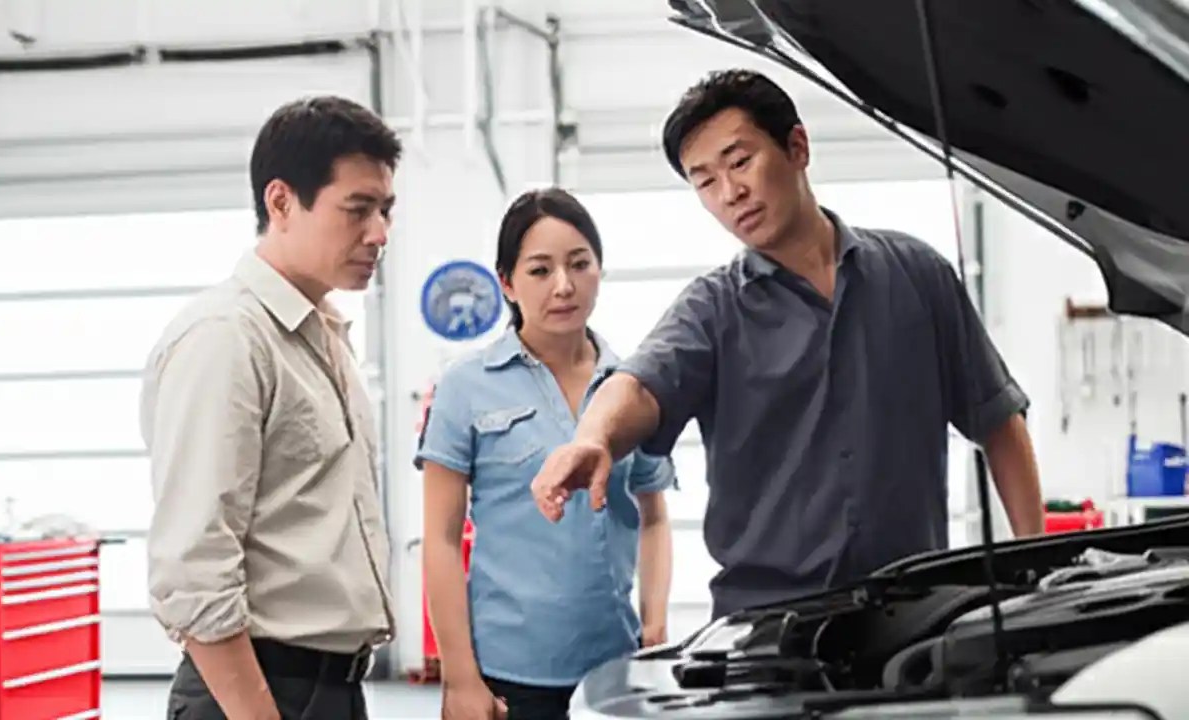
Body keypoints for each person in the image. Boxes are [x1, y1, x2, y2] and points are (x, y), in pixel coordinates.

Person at [530, 69, 1046, 621]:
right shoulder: (712, 310)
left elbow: (998, 421)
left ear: (797, 146)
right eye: (705, 181)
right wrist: (593, 437)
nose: (731, 194)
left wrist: (1036, 572)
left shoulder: (918, 276)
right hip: (772, 629)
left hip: (915, 619)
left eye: (740, 161)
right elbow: (637, 385)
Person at [139, 95, 400, 720]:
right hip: (259, 690)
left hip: (330, 686)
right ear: (280, 202)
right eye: (357, 209)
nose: (380, 233)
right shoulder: (227, 337)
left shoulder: (323, 337)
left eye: (387, 209)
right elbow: (194, 562)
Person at [416, 188, 676, 720]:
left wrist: (654, 625)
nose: (564, 286)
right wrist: (461, 679)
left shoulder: (633, 387)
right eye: (540, 270)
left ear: (600, 270)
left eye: (580, 264)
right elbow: (441, 541)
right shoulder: (465, 387)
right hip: (506, 678)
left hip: (613, 671)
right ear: (507, 282)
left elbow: (653, 518)